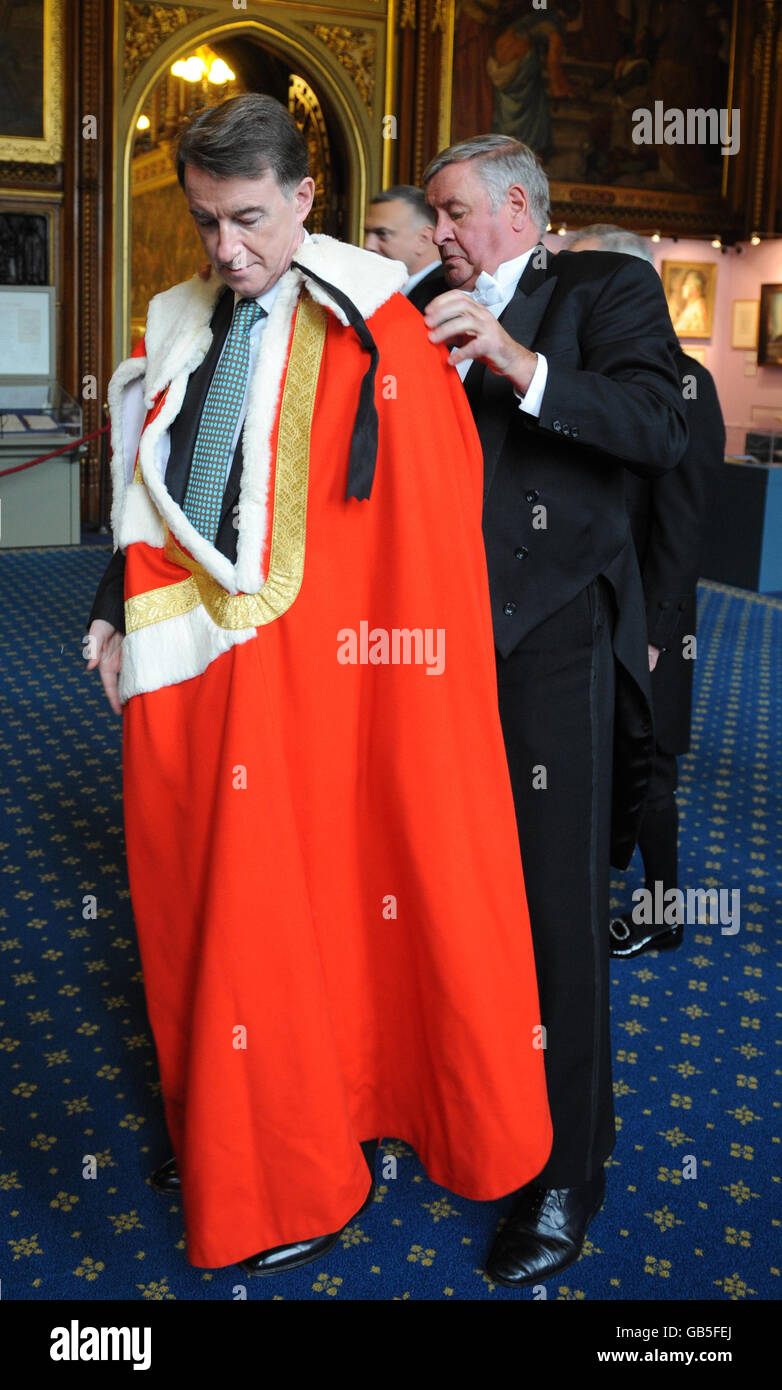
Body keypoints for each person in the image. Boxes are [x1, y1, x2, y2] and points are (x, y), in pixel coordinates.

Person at [85, 95, 552, 1277]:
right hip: (189, 670)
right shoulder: (187, 315)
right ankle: (232, 1132)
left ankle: (297, 1166)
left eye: (247, 219)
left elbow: (418, 547)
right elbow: (165, 476)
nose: (224, 250)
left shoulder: (384, 335)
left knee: (296, 919)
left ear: (303, 199)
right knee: (194, 911)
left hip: (319, 695)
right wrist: (109, 608)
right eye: (203, 223)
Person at [423, 134, 688, 1288]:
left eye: (450, 213)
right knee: (439, 899)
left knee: (555, 919)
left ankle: (569, 1168)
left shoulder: (599, 288)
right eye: (429, 217)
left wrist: (517, 361)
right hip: (425, 657)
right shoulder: (421, 305)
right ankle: (462, 1105)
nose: (437, 235)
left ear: (516, 208)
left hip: (552, 648)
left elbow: (655, 427)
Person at [568, 225, 726, 958]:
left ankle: (664, 912)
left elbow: (683, 525)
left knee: (650, 768)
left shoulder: (687, 381)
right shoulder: (593, 369)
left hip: (652, 615)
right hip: (595, 602)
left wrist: (657, 633)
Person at [363, 185, 447, 311]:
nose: (368, 245)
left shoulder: (444, 296)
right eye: (367, 233)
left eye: (382, 234)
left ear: (423, 238)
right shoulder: (381, 291)